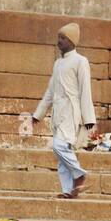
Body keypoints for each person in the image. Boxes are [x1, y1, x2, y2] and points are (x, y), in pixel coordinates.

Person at [32, 23, 95, 200]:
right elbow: (50, 92)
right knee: (61, 155)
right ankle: (69, 190)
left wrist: (88, 116)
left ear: (72, 41)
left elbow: (85, 89)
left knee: (59, 146)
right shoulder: (58, 63)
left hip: (72, 112)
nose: (59, 41)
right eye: (58, 37)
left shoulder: (80, 61)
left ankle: (79, 174)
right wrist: (38, 114)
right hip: (58, 114)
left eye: (63, 38)